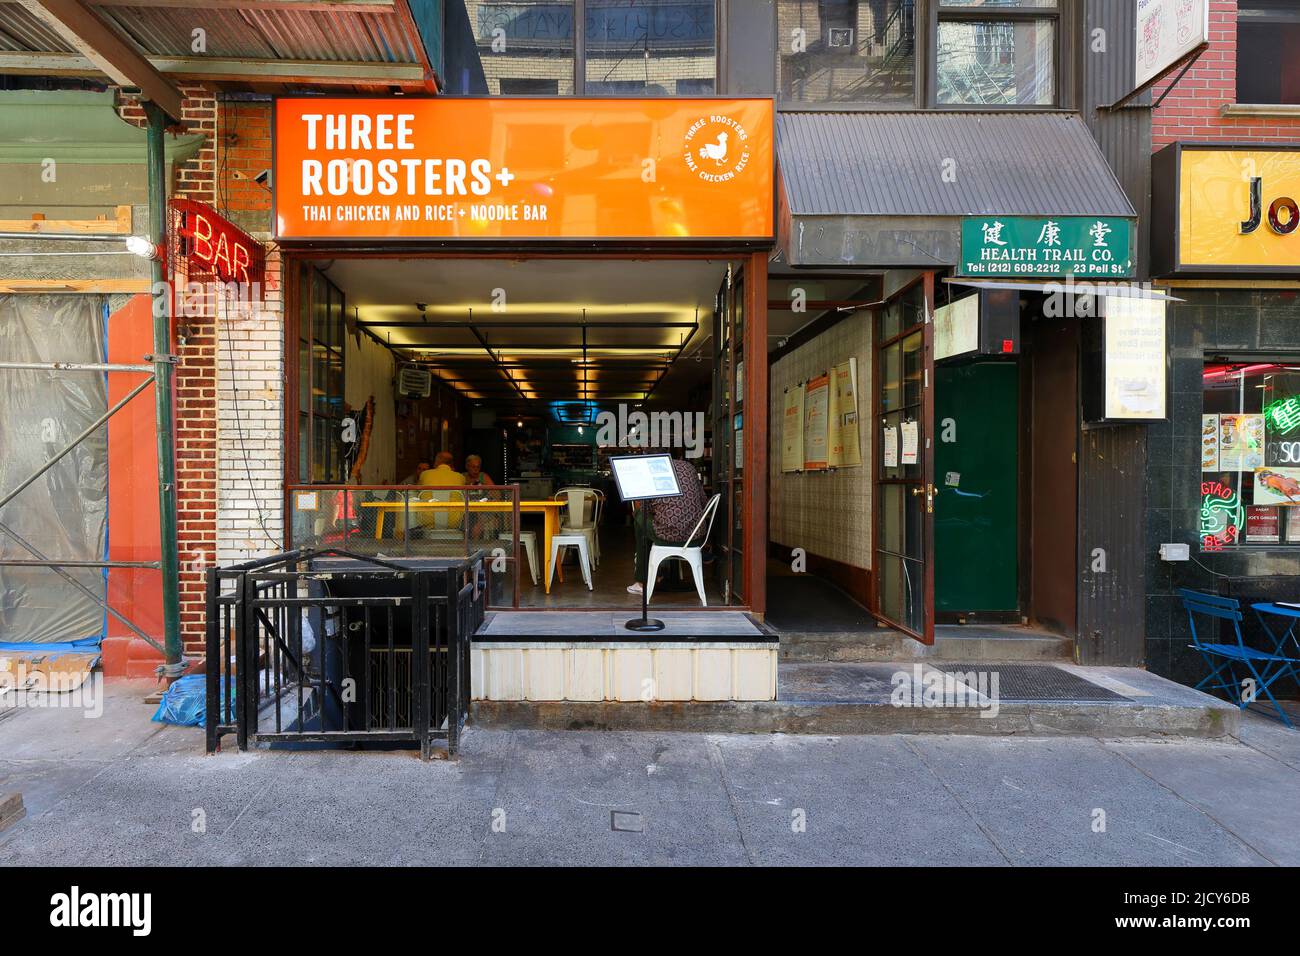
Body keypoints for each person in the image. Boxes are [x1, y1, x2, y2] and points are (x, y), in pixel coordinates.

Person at [628, 455, 707, 595]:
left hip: (668, 536)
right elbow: (703, 501)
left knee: (640, 517)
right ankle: (659, 572)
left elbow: (646, 509)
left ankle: (643, 580)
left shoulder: (654, 471)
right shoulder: (688, 467)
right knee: (655, 522)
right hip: (696, 535)